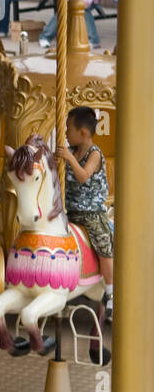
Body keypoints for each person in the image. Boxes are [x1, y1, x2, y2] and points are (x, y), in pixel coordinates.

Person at [57, 107, 114, 323]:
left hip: (92, 213)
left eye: (69, 129)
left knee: (102, 243)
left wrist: (68, 157)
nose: (66, 133)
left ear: (83, 133)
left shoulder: (94, 153)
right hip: (70, 211)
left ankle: (110, 291)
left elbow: (83, 176)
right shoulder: (71, 150)